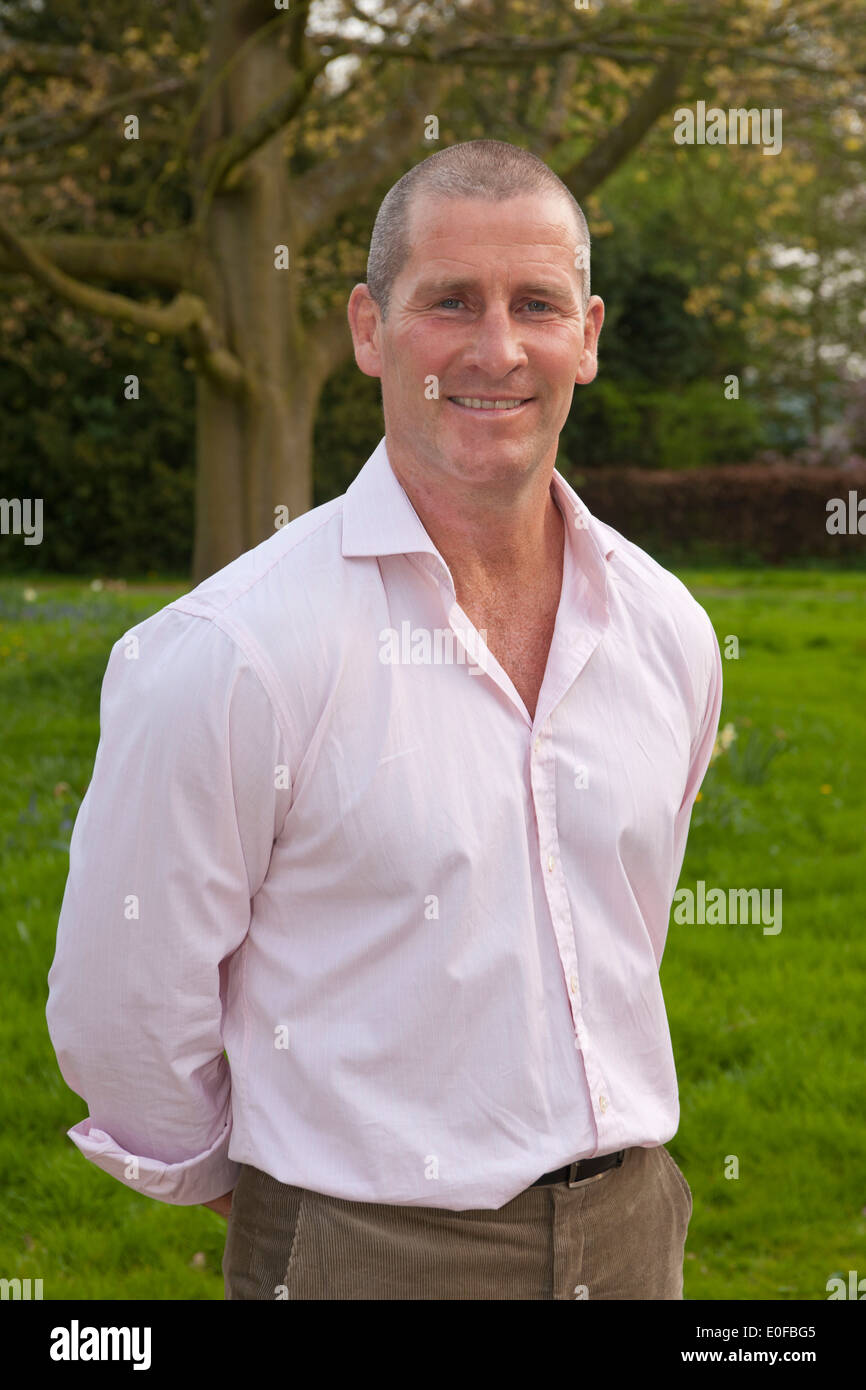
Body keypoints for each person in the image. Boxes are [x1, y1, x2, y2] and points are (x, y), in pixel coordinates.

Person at [47, 139, 722, 1301]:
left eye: (535, 305)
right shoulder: (234, 653)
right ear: (368, 328)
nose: (496, 349)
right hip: (363, 1253)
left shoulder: (666, 628)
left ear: (587, 336)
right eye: (449, 301)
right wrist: (301, 1211)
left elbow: (618, 929)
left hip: (632, 1236)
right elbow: (125, 1008)